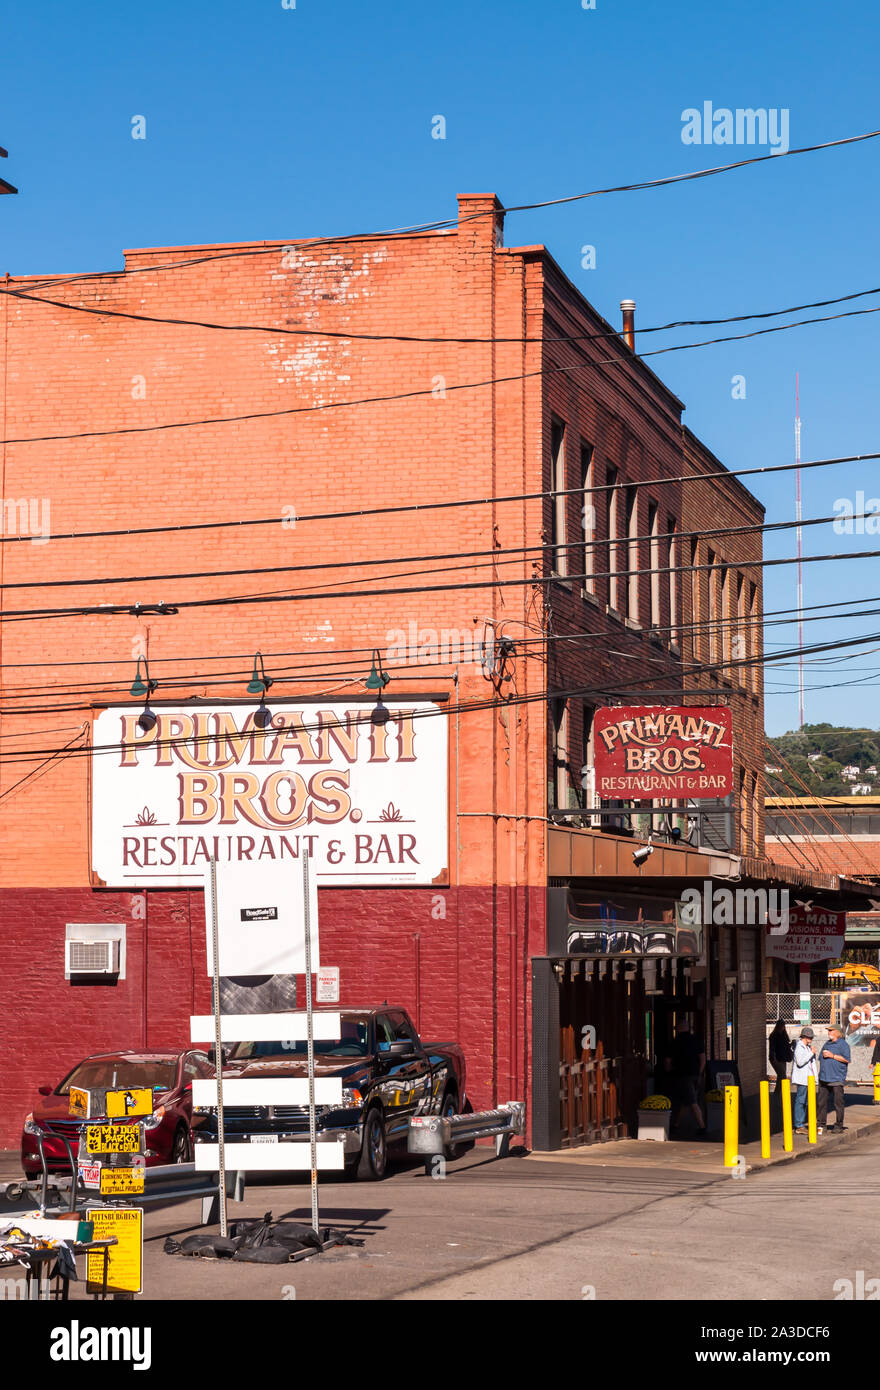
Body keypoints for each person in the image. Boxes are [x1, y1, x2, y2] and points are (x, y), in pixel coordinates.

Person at [664, 1019, 706, 1135]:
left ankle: (702, 1127)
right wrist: (699, 1073)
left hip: (682, 1075)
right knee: (685, 1100)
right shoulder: (696, 1040)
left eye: (676, 1028)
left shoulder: (675, 1042)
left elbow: (667, 1061)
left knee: (692, 1101)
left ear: (679, 1029)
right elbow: (703, 1059)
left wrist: (668, 1070)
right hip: (694, 1075)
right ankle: (676, 1124)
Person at [817, 1024, 851, 1133]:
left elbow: (847, 1060)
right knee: (821, 1103)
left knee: (838, 1103)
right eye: (828, 1031)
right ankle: (821, 1125)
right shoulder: (826, 1044)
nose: (829, 1032)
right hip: (824, 1078)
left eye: (831, 1031)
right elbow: (820, 1058)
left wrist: (832, 1056)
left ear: (837, 1032)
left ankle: (839, 1125)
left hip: (837, 1078)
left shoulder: (843, 1045)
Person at [790, 1026, 818, 1134]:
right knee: (800, 1101)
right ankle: (799, 1125)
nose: (811, 1039)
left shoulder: (806, 1047)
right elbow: (800, 1062)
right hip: (803, 1079)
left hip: (808, 1079)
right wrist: (811, 1053)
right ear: (805, 1037)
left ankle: (800, 1123)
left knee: (806, 1102)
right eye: (810, 1037)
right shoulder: (799, 1047)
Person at [768, 1019, 793, 1091]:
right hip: (776, 1058)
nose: (782, 1027)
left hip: (783, 1058)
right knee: (782, 1075)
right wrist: (774, 1058)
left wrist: (791, 1044)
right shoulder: (774, 1036)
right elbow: (772, 1048)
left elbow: (786, 1046)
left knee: (781, 1076)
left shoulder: (783, 1035)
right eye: (781, 1026)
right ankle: (778, 1092)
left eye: (783, 1026)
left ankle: (778, 1092)